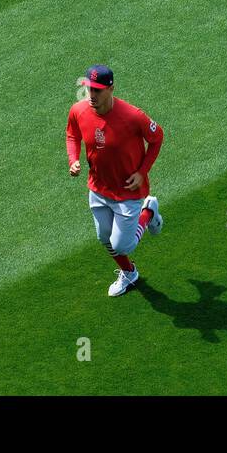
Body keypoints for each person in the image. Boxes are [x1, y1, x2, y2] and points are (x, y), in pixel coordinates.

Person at [65, 65, 165, 296]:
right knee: (104, 237)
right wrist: (73, 160)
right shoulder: (78, 111)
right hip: (98, 188)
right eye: (89, 88)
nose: (92, 95)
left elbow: (157, 137)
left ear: (111, 89)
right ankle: (129, 273)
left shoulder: (133, 116)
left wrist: (142, 172)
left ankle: (148, 212)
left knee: (123, 245)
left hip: (128, 191)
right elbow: (72, 134)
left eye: (98, 90)